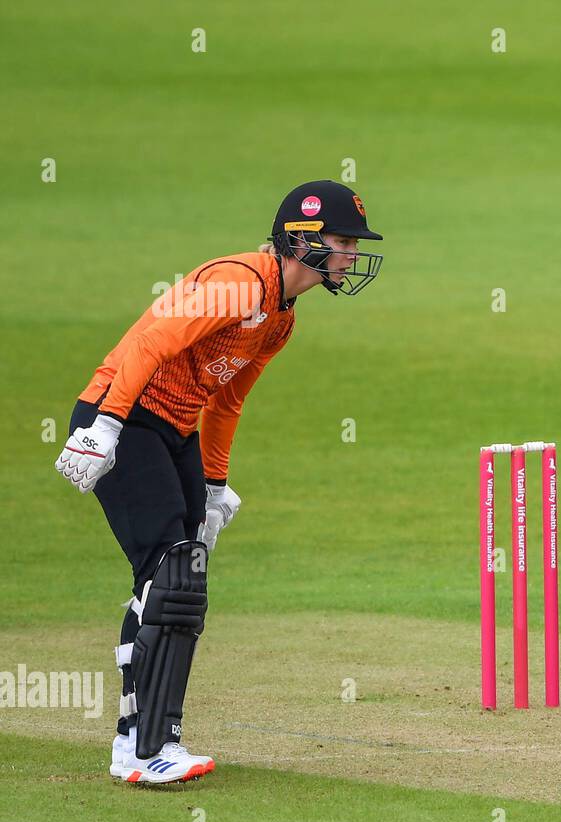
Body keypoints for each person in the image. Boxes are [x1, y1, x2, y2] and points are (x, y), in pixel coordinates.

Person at [54, 180, 383, 782]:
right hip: (127, 416)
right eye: (342, 241)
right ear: (302, 240)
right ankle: (149, 748)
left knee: (182, 578)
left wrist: (211, 486)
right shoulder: (239, 283)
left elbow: (226, 403)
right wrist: (104, 426)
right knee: (170, 572)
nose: (351, 255)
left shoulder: (280, 320)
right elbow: (151, 342)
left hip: (173, 431)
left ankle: (137, 743)